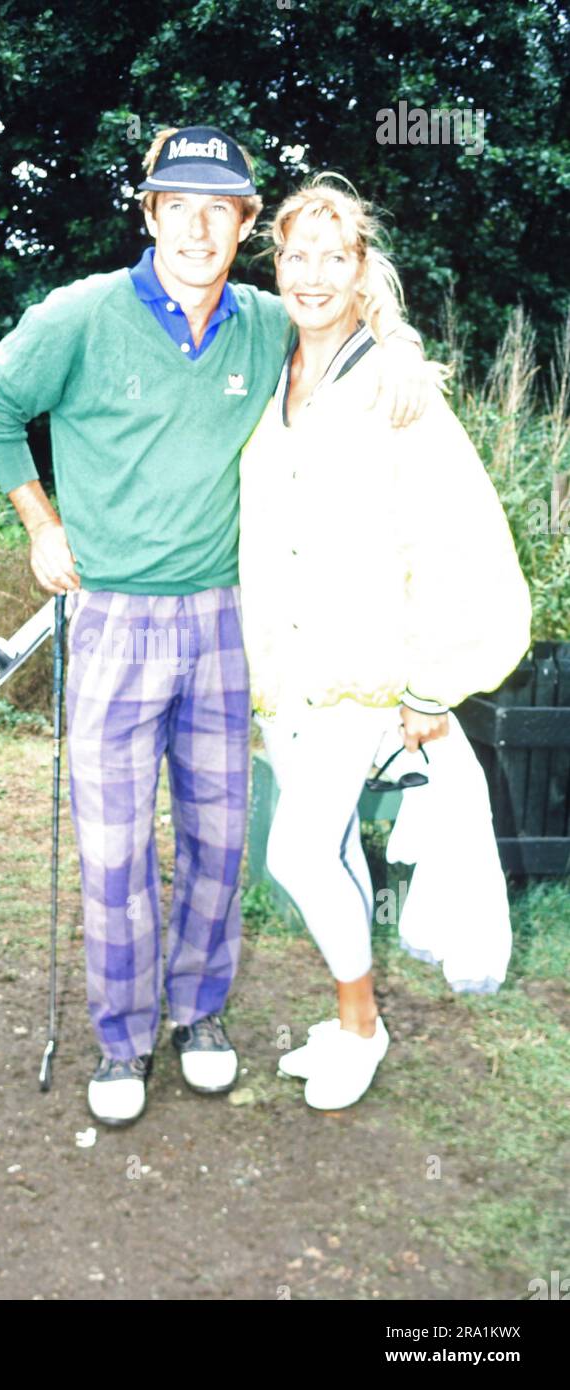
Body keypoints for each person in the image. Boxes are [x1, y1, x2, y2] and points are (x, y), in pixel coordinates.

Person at [0, 127, 429, 1127]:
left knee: (220, 841)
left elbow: (345, 330)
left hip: (229, 620)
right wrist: (41, 524)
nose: (199, 225)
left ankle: (200, 1018)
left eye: (221, 208)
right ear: (150, 214)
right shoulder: (83, 315)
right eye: (179, 205)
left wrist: (397, 361)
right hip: (115, 619)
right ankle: (124, 1039)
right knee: (117, 848)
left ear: (247, 225)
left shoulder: (264, 322)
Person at [238, 175, 531, 1111]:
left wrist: (436, 686)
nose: (314, 275)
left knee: (293, 855)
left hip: (363, 669)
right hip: (284, 670)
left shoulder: (398, 388)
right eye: (297, 255)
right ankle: (343, 1016)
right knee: (332, 852)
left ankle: (363, 1028)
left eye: (336, 256)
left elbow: (461, 536)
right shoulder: (269, 370)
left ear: (363, 271)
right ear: (276, 265)